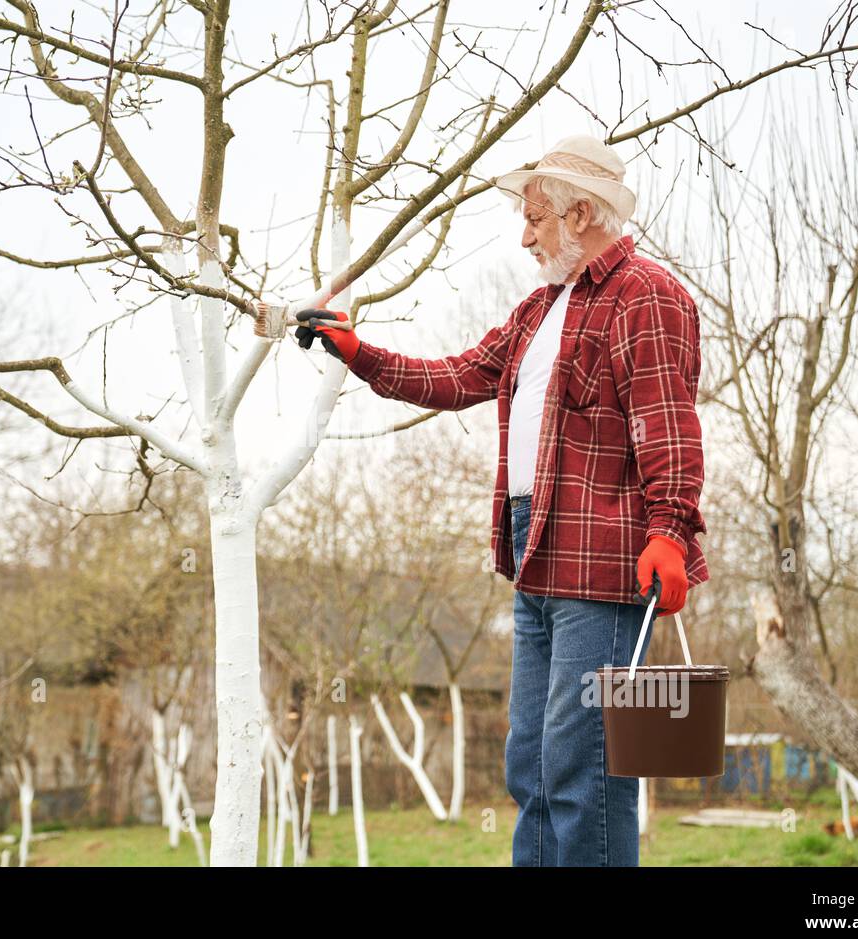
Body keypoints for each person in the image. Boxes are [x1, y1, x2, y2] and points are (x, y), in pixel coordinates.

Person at [296, 134, 708, 866]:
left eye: (536, 218)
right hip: (534, 558)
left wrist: (671, 530)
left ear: (581, 213)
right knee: (533, 766)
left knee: (586, 768)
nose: (525, 236)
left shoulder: (647, 295)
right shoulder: (537, 312)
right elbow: (457, 376)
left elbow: (666, 423)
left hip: (605, 565)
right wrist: (357, 352)